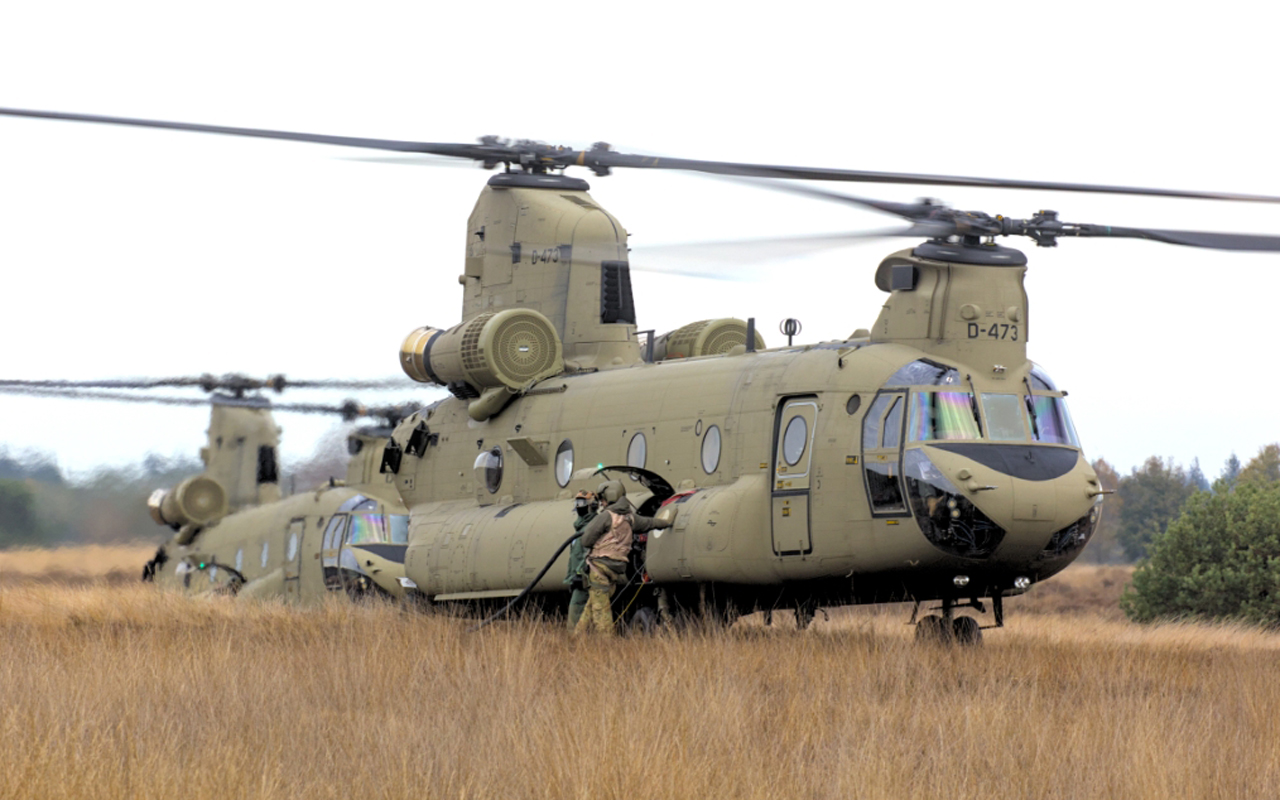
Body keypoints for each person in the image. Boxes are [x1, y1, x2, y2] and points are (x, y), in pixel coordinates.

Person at [574, 480, 672, 635]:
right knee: (592, 605)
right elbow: (649, 523)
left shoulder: (606, 516)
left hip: (599, 567)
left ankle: (605, 645)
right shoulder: (630, 518)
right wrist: (666, 522)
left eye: (603, 499)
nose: (602, 503)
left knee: (601, 612)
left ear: (609, 497)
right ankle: (577, 638)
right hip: (615, 568)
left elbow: (586, 540)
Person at [564, 490, 598, 630]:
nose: (579, 506)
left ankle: (575, 646)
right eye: (577, 503)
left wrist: (581, 574)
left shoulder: (593, 527)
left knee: (575, 622)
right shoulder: (581, 528)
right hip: (577, 581)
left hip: (585, 582)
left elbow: (591, 553)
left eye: (582, 503)